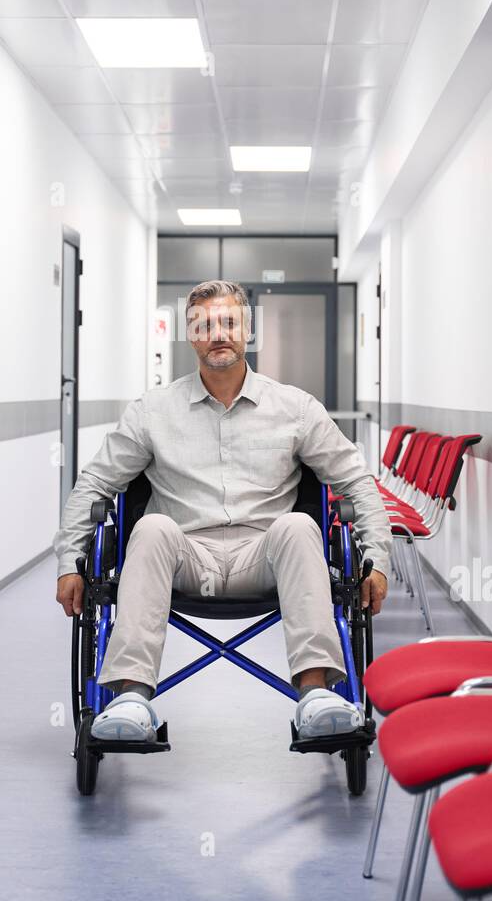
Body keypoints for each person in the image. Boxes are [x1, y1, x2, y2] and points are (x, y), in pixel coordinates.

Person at [54, 280, 392, 744]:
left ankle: (316, 696)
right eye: (204, 325)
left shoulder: (294, 408)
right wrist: (68, 562)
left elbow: (355, 479)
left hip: (267, 557)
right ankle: (131, 698)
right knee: (150, 527)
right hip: (185, 557)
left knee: (298, 525)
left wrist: (379, 559)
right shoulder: (153, 411)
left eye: (229, 322)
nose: (218, 333)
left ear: (247, 331)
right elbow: (95, 482)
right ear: (191, 335)